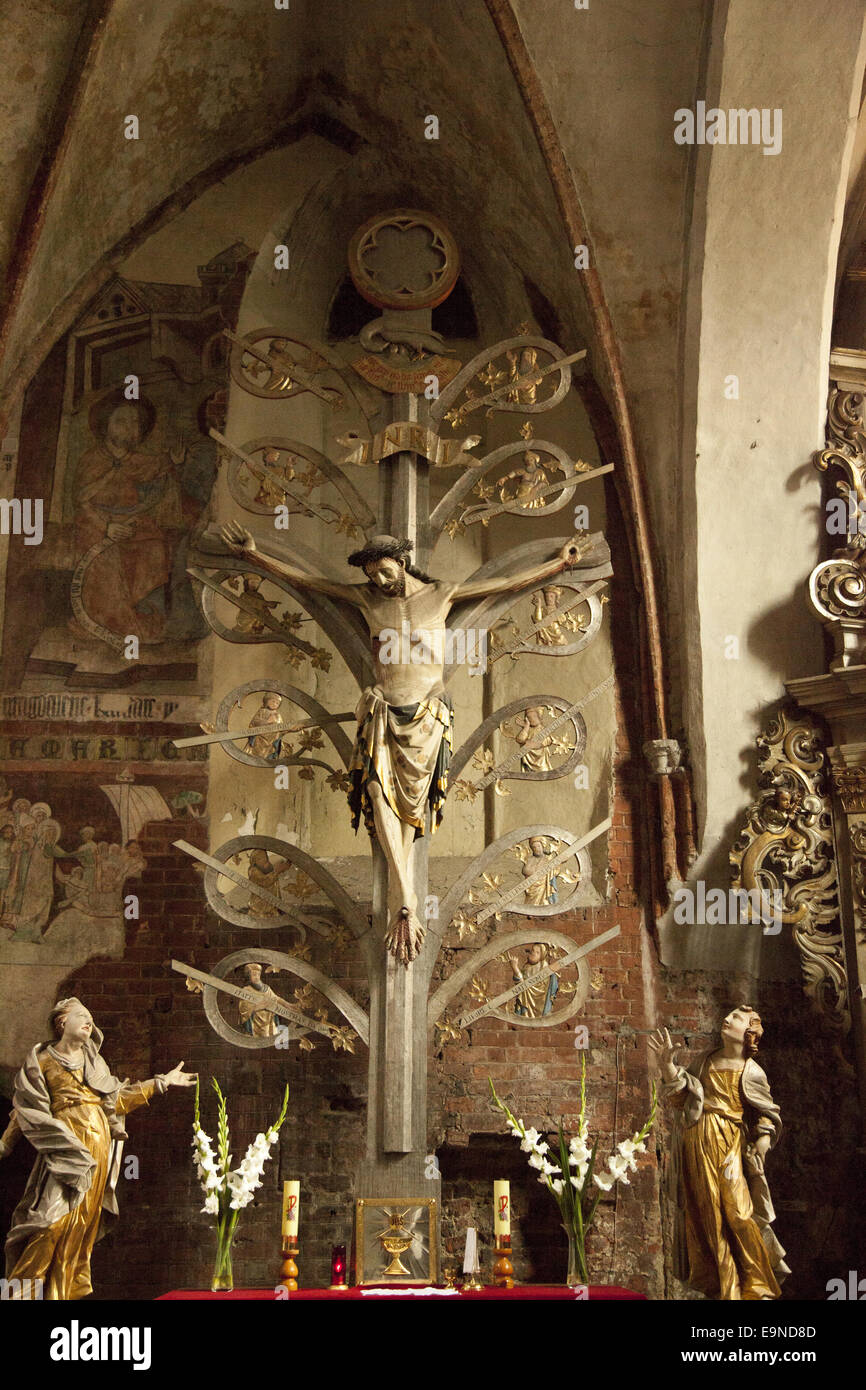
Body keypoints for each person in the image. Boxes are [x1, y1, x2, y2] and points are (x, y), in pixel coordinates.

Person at [220, 520, 593, 964]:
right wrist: (254, 556)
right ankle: (406, 901)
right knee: (376, 793)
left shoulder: (441, 595)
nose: (378, 580)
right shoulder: (365, 600)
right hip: (382, 713)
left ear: (401, 561)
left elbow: (505, 583)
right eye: (371, 574)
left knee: (412, 813)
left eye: (384, 571)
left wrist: (558, 564)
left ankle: (407, 901)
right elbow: (309, 582)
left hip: (426, 717)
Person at [0, 998, 195, 1299]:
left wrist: (161, 1083)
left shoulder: (95, 1064)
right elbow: (24, 1108)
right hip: (66, 1149)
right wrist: (5, 1143)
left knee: (77, 1234)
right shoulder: (42, 1061)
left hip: (97, 1151)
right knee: (48, 1225)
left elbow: (116, 1101)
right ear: (62, 1023)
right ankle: (18, 1296)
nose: (90, 1022)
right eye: (82, 1016)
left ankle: (57, 1297)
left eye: (91, 1018)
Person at [649, 1006, 789, 1300]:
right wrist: (667, 1067)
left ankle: (757, 1284)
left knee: (738, 1213)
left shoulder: (752, 1071)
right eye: (728, 1016)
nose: (727, 1019)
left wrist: (763, 1140)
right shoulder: (705, 1061)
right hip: (697, 1142)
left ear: (749, 1033)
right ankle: (727, 1289)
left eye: (736, 1018)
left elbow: (767, 1112)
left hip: (730, 1143)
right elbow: (679, 1099)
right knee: (707, 1214)